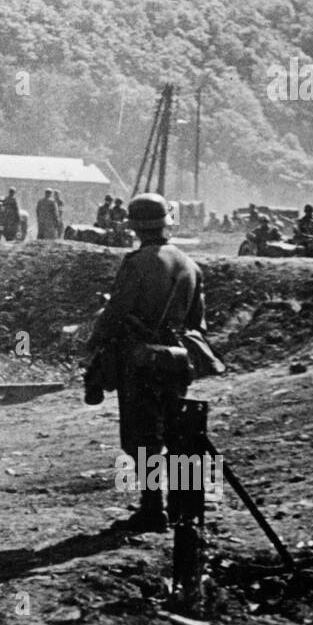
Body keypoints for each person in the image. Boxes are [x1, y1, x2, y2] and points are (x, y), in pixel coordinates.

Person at [86, 193, 208, 532]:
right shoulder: (190, 264)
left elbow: (116, 313)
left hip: (140, 362)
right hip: (178, 360)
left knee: (142, 436)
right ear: (166, 224)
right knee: (180, 433)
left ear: (136, 228)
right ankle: (184, 509)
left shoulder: (136, 263)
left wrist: (95, 343)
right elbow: (198, 324)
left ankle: (152, 508)